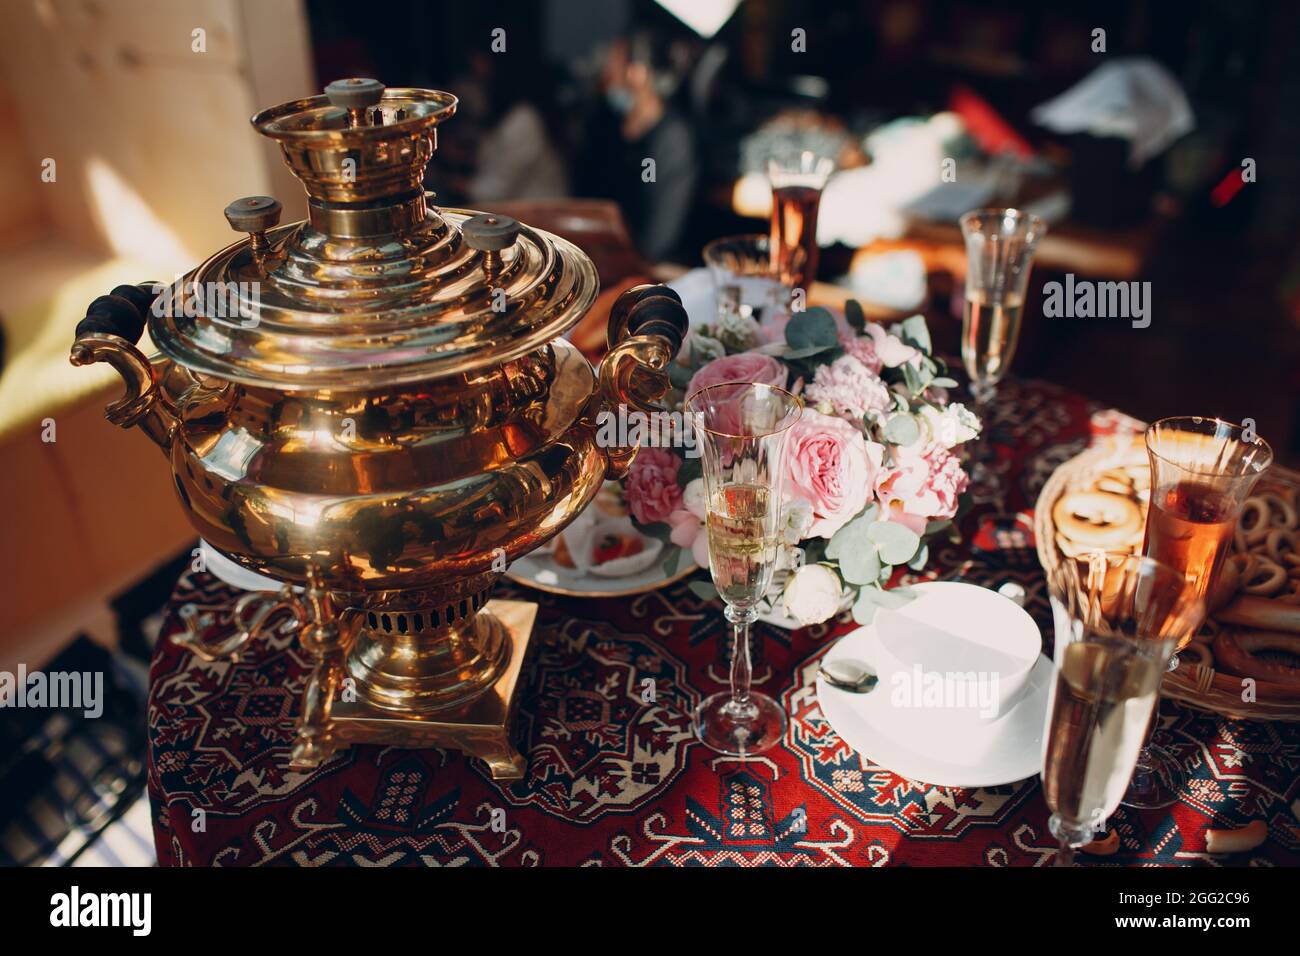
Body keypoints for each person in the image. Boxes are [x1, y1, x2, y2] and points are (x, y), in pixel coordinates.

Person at [578, 30, 699, 263]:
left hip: (645, 273)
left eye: (613, 67)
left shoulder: (673, 139)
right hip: (596, 261)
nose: (606, 77)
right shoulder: (606, 125)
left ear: (638, 73)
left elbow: (661, 238)